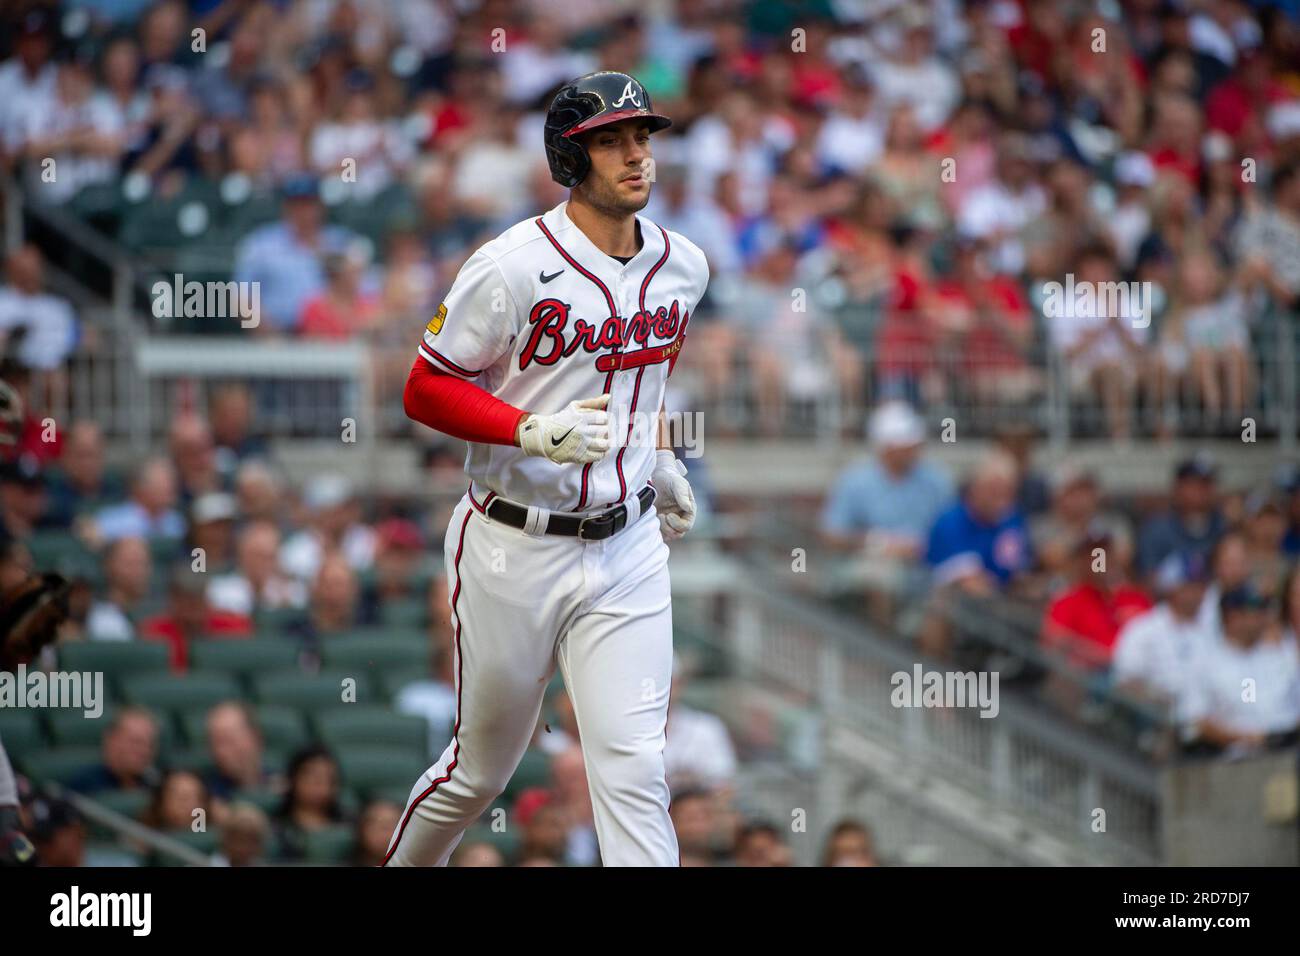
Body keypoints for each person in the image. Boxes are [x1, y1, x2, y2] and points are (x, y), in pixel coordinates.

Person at [385, 72, 708, 869]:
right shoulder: (512, 264)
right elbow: (425, 387)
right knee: (477, 773)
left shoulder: (684, 265)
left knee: (635, 769)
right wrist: (530, 430)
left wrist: (659, 457)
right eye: (612, 140)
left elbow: (645, 379)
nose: (636, 154)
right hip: (512, 542)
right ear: (572, 157)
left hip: (629, 547)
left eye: (642, 136)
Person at [820, 401, 954, 560]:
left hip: (928, 562)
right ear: (885, 449)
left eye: (913, 445)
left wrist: (923, 545)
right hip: (869, 565)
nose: (912, 451)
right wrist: (876, 543)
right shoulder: (855, 480)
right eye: (904, 446)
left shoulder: (935, 479)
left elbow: (953, 528)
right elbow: (832, 534)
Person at [1178, 584, 1300, 754]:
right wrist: (1243, 737)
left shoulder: (1279, 656)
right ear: (1232, 616)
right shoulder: (1205, 662)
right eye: (1254, 610)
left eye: (1263, 610)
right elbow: (1195, 720)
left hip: (1288, 749)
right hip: (1231, 759)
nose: (1261, 617)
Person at [1112, 552, 1214, 710]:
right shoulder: (1144, 628)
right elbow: (1124, 681)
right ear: (1172, 587)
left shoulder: (1209, 635)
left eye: (1201, 586)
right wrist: (1159, 700)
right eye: (1190, 586)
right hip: (1151, 718)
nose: (1197, 594)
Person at [1137, 454, 1225, 579]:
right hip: (1165, 597)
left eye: (1205, 485)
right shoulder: (1156, 530)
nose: (1200, 492)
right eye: (1193, 484)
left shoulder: (1223, 528)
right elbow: (1146, 578)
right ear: (1178, 488)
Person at [273, 745, 345, 862]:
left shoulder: (348, 825)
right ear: (294, 779)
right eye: (314, 777)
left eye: (328, 778)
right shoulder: (276, 828)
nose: (321, 784)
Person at [66, 707, 161, 795]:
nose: (144, 751)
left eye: (150, 745)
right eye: (136, 742)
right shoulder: (85, 786)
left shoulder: (154, 783)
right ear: (111, 740)